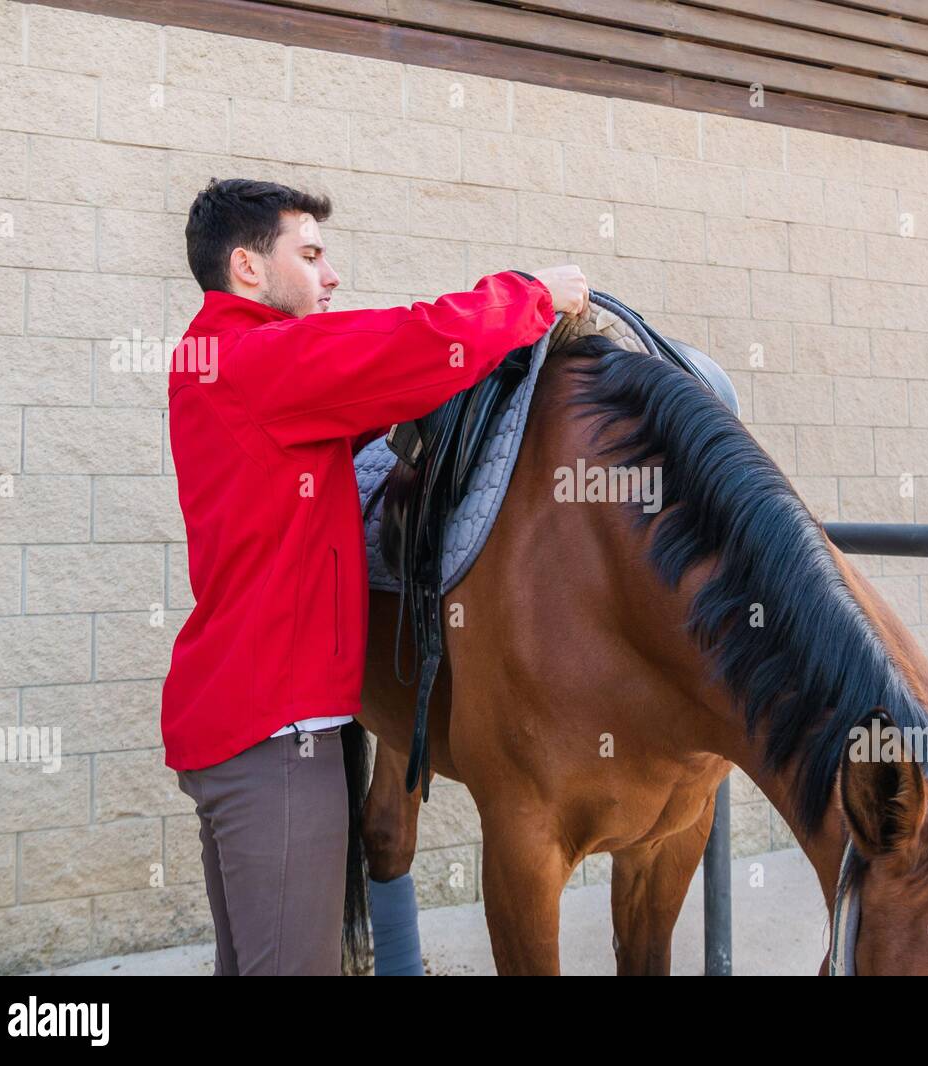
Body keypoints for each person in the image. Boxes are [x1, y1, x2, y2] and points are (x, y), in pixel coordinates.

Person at [164, 177, 588, 975]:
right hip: (277, 738)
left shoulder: (214, 360)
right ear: (248, 270)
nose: (330, 276)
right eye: (312, 254)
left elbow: (374, 391)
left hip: (233, 726)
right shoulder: (259, 359)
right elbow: (411, 343)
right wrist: (534, 294)